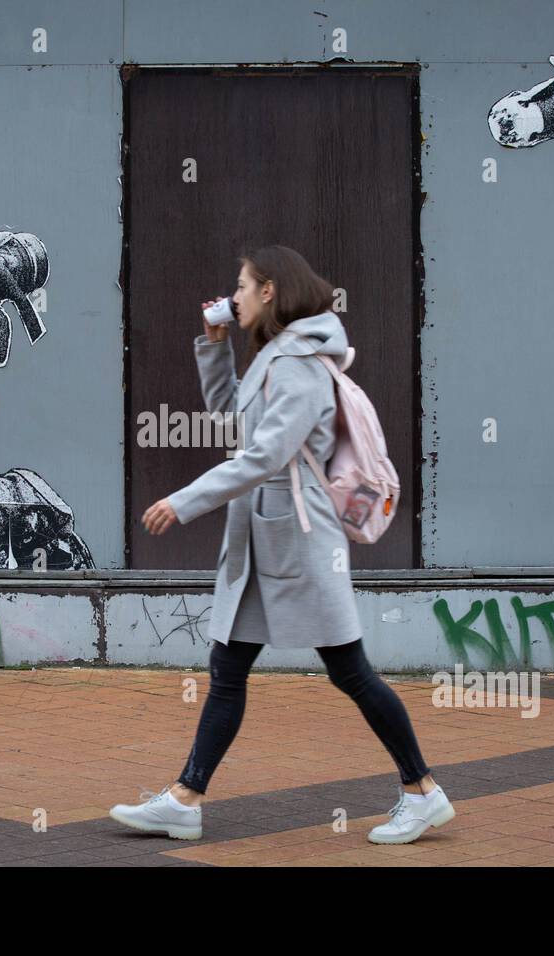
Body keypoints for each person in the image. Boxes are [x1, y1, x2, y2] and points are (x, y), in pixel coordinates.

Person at [109, 245, 455, 844]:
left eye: (242, 287)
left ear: (270, 291)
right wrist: (213, 343)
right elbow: (229, 413)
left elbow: (265, 455)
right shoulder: (278, 356)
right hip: (266, 537)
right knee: (228, 667)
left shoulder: (298, 364)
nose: (233, 296)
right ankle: (185, 800)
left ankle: (422, 790)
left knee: (350, 670)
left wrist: (183, 501)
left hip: (299, 538)